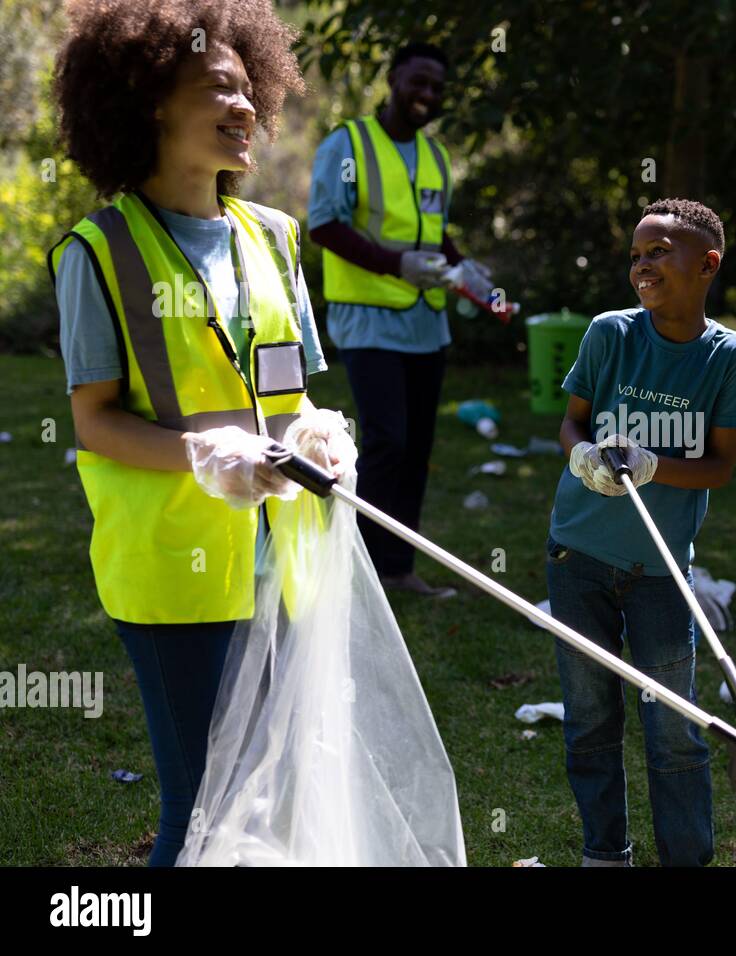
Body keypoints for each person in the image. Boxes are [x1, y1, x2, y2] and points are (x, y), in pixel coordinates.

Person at [49, 0, 351, 866]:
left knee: (285, 788)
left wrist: (320, 436)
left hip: (287, 561)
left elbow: (289, 393)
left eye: (251, 88)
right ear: (150, 104)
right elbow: (92, 419)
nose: (247, 106)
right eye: (219, 87)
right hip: (173, 571)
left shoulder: (275, 239)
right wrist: (200, 453)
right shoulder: (97, 252)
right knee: (208, 804)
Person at [548, 198, 736, 866]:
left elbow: (720, 468)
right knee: (589, 720)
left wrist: (651, 464)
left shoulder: (730, 357)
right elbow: (572, 421)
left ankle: (686, 861)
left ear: (708, 264)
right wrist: (582, 457)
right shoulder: (610, 334)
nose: (644, 264)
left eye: (660, 250)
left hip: (660, 569)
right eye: (637, 253)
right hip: (576, 553)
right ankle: (605, 853)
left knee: (674, 731)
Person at [309, 41, 490, 597]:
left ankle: (398, 570)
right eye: (419, 82)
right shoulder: (349, 144)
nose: (428, 96)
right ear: (393, 79)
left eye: (438, 88)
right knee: (386, 442)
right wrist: (397, 264)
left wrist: (466, 271)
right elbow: (325, 224)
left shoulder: (436, 157)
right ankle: (358, 574)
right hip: (369, 319)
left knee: (416, 450)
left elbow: (433, 233)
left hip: (424, 325)